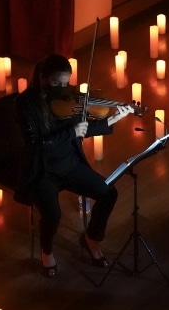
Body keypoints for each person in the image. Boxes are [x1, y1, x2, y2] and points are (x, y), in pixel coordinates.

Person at [17, 54, 135, 277]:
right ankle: (46, 250)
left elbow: (84, 128)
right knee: (53, 214)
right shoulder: (25, 104)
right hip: (43, 170)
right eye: (56, 83)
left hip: (70, 164)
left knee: (109, 193)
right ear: (42, 78)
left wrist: (112, 119)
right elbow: (36, 144)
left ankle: (90, 238)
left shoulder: (70, 98)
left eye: (66, 83)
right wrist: (70, 132)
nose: (62, 89)